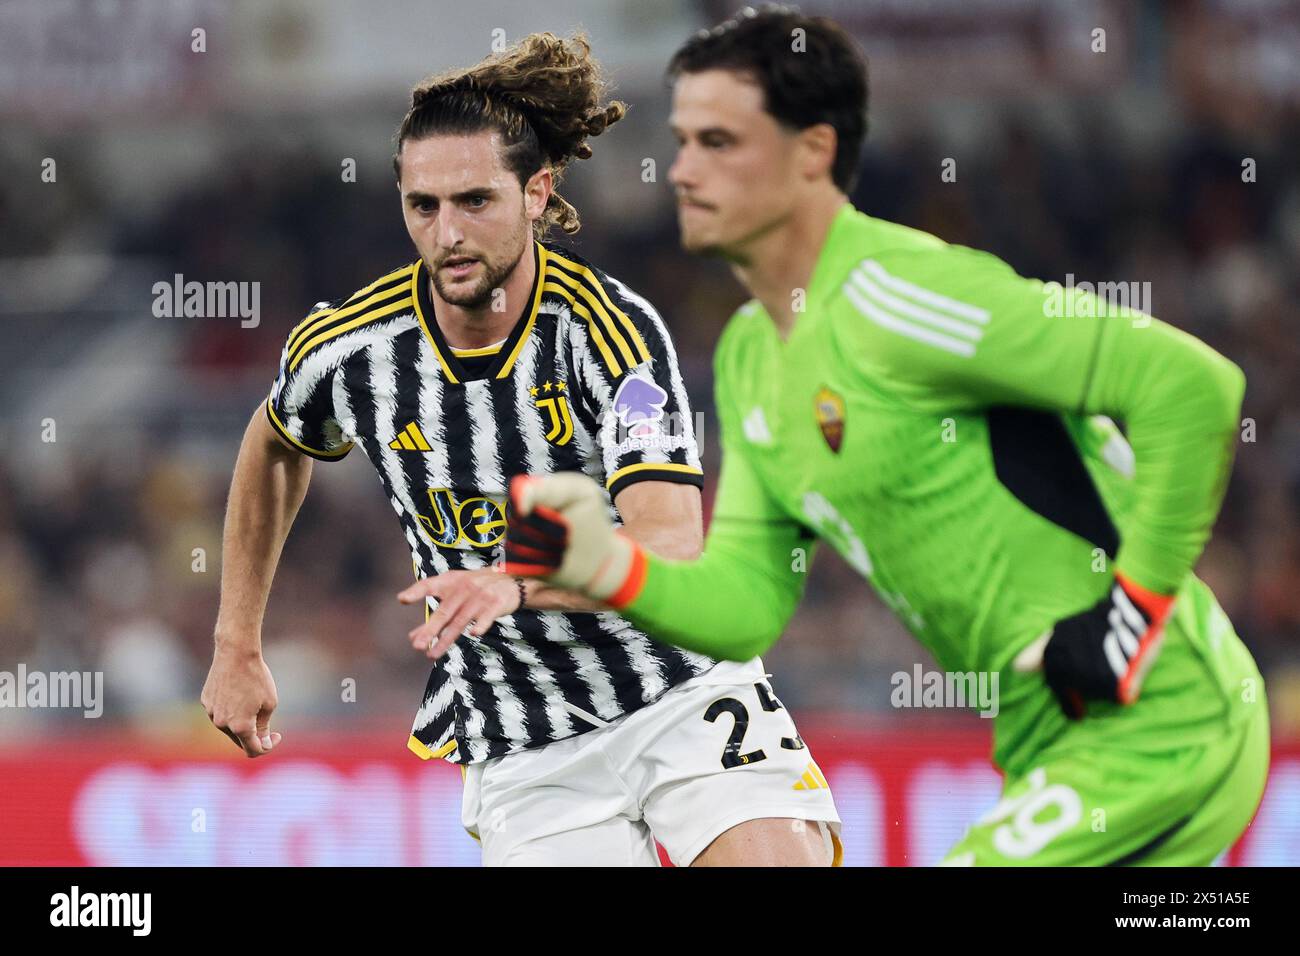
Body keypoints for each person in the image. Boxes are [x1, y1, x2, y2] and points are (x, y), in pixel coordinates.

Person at [504, 8, 1269, 866]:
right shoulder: (755, 355)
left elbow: (1191, 386)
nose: (681, 171)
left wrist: (1132, 613)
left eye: (719, 142)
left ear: (813, 153)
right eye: (682, 141)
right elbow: (748, 602)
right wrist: (603, 562)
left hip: (1162, 723)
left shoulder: (897, 293)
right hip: (1047, 741)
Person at [201, 31, 840, 867]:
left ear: (537, 193)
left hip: (679, 690)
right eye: (422, 206)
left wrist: (513, 584)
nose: (447, 233)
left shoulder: (610, 331)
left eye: (474, 201)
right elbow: (276, 442)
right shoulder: (353, 346)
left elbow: (672, 544)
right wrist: (236, 644)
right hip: (525, 740)